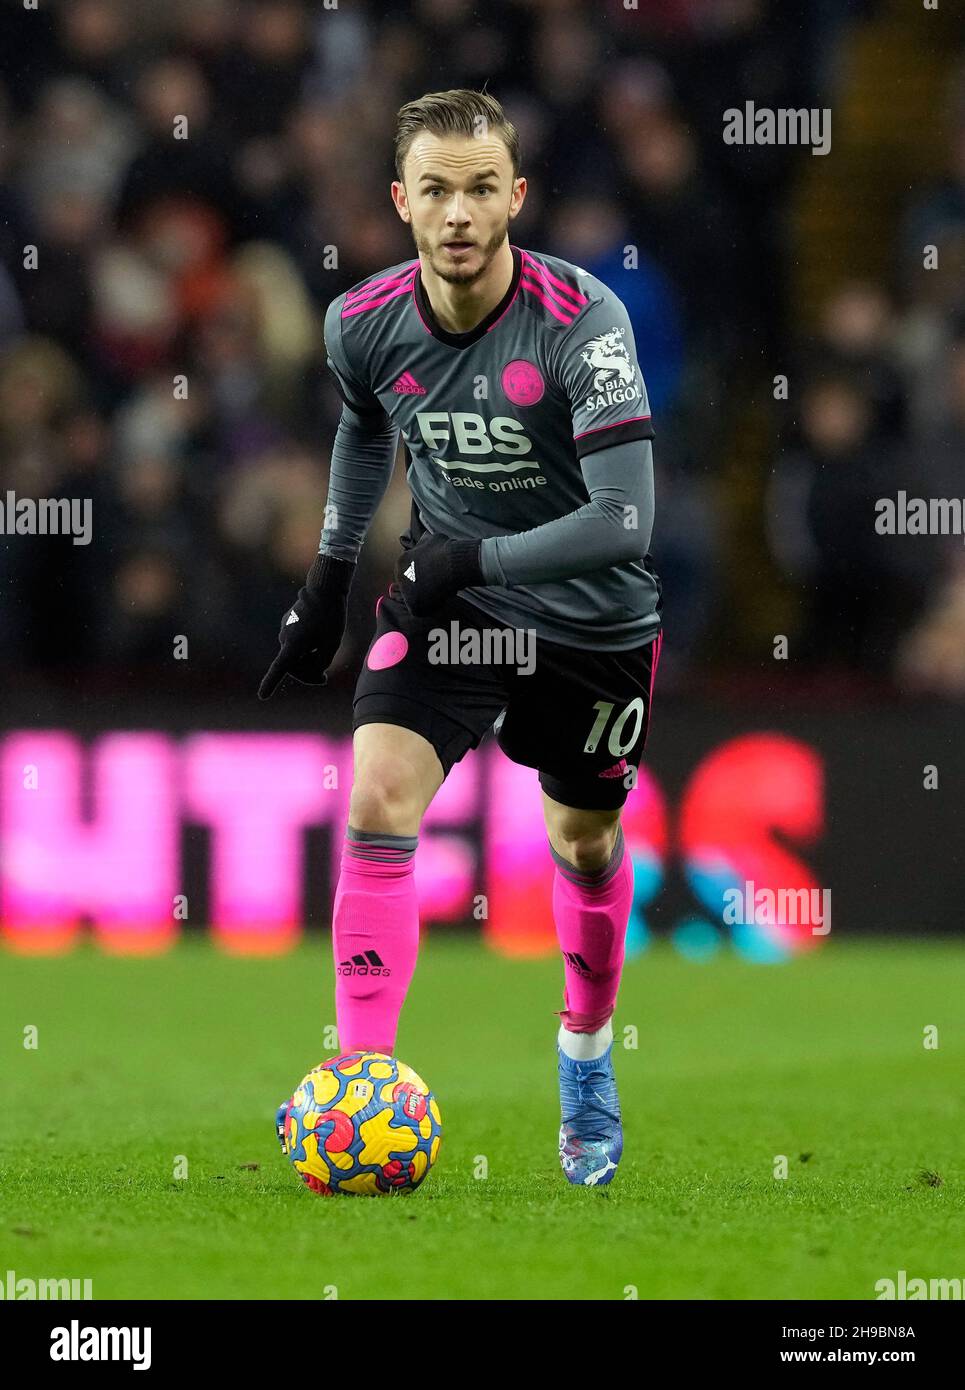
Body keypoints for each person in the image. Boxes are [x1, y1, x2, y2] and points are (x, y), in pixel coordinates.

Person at [261, 89, 662, 1187]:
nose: (458, 212)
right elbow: (360, 425)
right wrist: (330, 577)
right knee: (378, 793)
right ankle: (361, 1080)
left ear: (515, 196)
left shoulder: (581, 322)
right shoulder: (363, 320)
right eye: (435, 189)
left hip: (589, 621)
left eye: (481, 187)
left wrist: (471, 557)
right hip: (450, 609)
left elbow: (627, 520)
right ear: (399, 200)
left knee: (581, 842)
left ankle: (583, 1050)